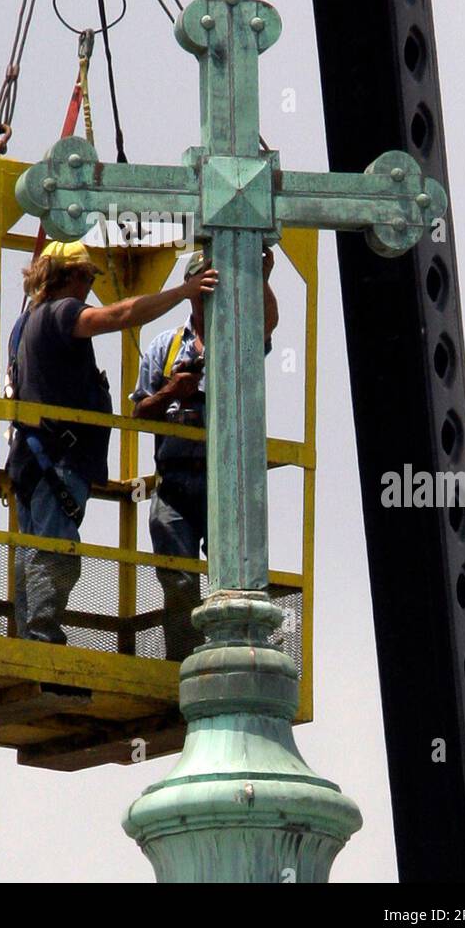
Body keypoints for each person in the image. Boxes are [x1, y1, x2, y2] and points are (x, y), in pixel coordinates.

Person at [6, 239, 219, 644]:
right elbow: (120, 314)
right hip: (57, 461)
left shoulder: (24, 323)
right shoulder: (63, 310)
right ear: (68, 277)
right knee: (56, 554)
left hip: (30, 460)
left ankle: (26, 637)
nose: (89, 288)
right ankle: (42, 640)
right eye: (87, 278)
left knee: (31, 550)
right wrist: (182, 292)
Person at [131, 247, 279, 660]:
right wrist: (171, 392)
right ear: (192, 289)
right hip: (175, 482)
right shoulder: (165, 345)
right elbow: (139, 411)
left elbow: (268, 322)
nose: (209, 295)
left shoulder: (239, 336)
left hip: (224, 478)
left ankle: (233, 653)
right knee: (178, 581)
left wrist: (262, 278)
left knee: (234, 578)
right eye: (203, 287)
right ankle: (183, 657)